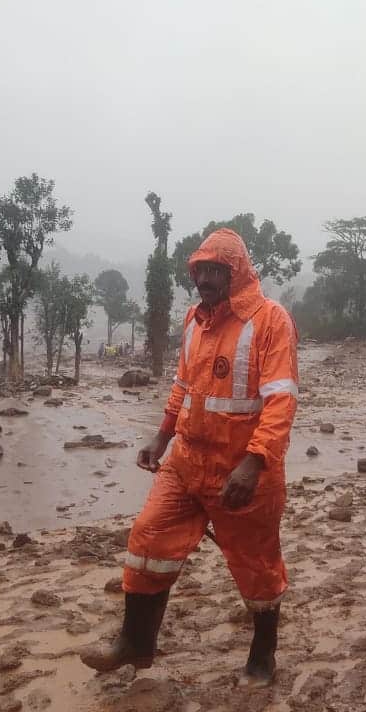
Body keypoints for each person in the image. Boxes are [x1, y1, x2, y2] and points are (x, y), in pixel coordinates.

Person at [81, 229, 298, 687]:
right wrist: (161, 438)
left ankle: (263, 656)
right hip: (186, 462)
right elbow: (183, 385)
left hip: (244, 474)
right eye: (199, 271)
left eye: (214, 270)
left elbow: (281, 399)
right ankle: (135, 644)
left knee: (256, 566)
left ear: (236, 272)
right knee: (148, 538)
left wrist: (255, 461)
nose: (204, 280)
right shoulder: (193, 321)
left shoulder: (270, 320)